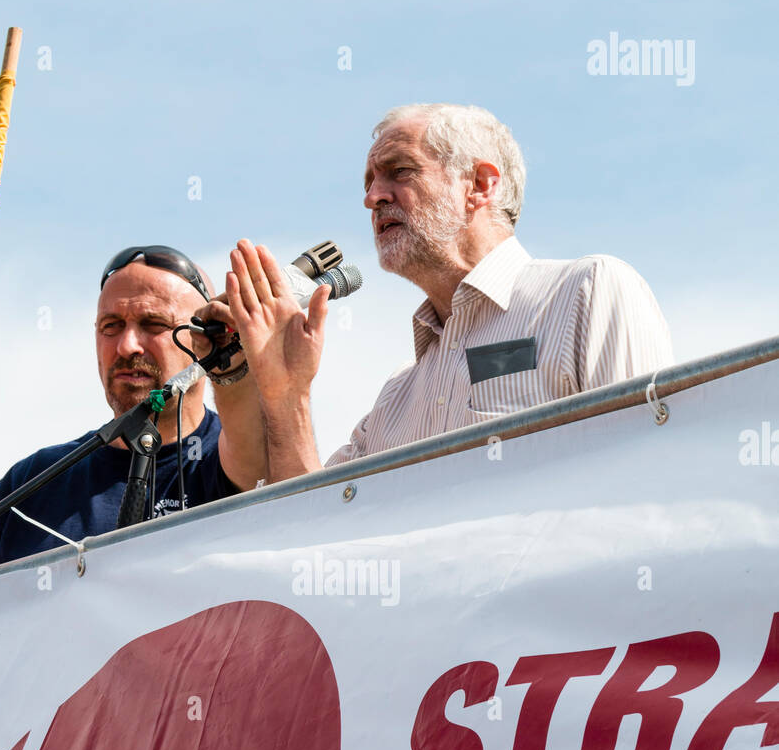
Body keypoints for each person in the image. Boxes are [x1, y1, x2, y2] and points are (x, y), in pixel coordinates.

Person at [219, 103, 675, 481]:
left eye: (399, 171)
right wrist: (286, 394)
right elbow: (309, 534)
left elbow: (649, 477)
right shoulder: (396, 398)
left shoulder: (588, 292)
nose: (373, 197)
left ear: (479, 185)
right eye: (369, 183)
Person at [0, 244, 264, 579]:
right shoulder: (28, 486)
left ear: (208, 338)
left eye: (154, 323)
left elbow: (260, 468)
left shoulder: (230, 460)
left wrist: (234, 373)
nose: (126, 346)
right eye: (111, 325)